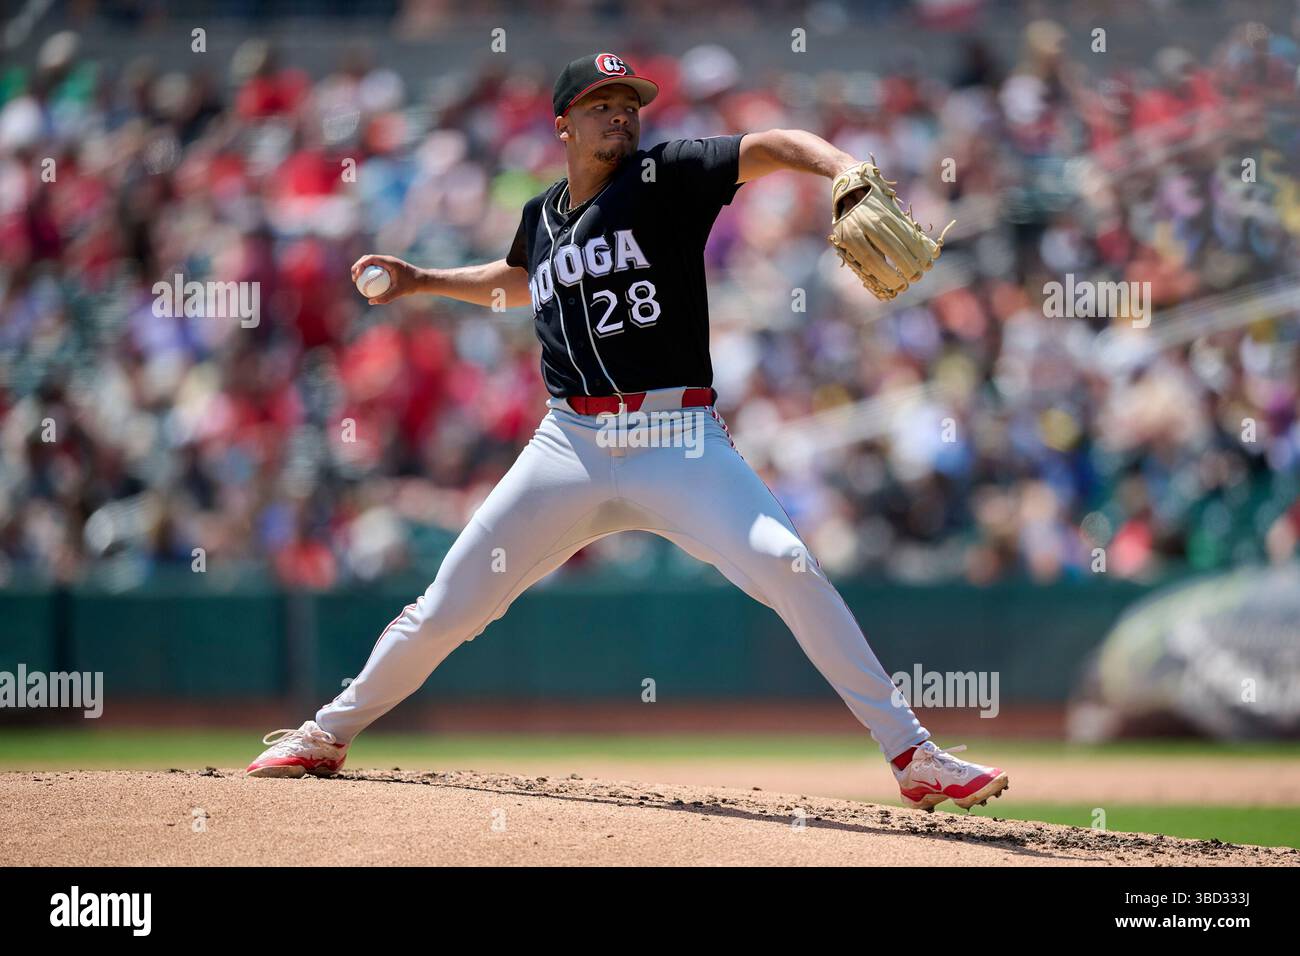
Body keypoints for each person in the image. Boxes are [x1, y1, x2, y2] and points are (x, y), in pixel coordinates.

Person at [246, 52, 1010, 813]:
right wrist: (425, 281)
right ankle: (325, 732)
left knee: (789, 564)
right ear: (563, 125)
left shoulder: (666, 175)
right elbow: (518, 280)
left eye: (628, 102)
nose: (620, 113)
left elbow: (772, 145)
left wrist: (843, 167)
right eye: (601, 103)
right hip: (568, 445)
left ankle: (913, 755)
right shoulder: (540, 216)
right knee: (449, 605)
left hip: (678, 437)